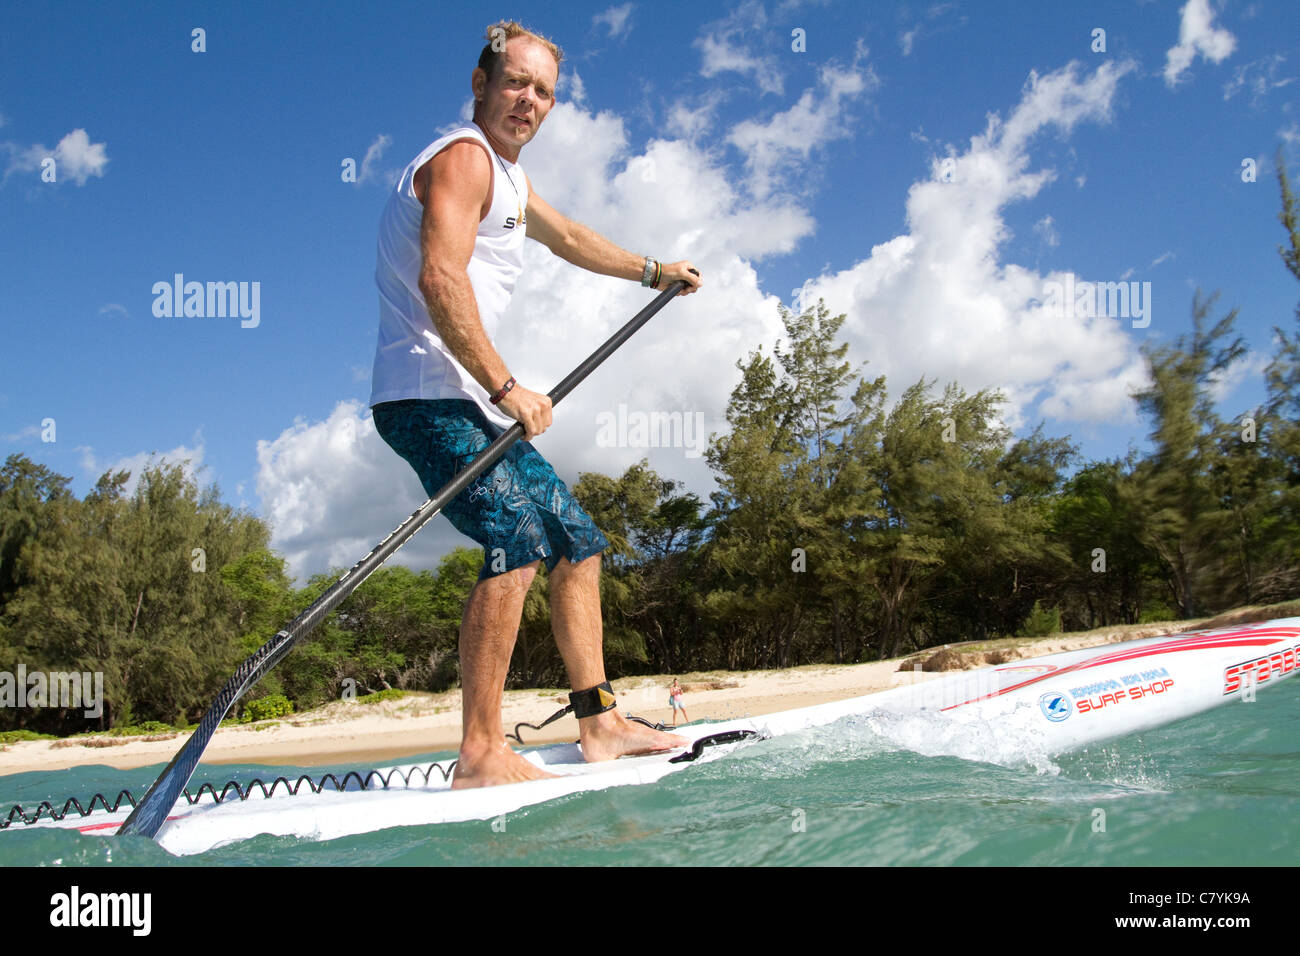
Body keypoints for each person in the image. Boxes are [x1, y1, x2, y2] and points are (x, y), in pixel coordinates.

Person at [369, 21, 702, 789]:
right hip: (425, 394)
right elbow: (440, 280)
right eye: (516, 81)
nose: (530, 100)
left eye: (544, 91)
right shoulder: (463, 159)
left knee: (576, 540)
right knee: (513, 536)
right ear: (480, 83)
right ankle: (480, 751)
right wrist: (507, 385)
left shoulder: (512, 183)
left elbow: (574, 237)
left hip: (471, 401)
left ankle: (601, 723)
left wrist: (654, 270)